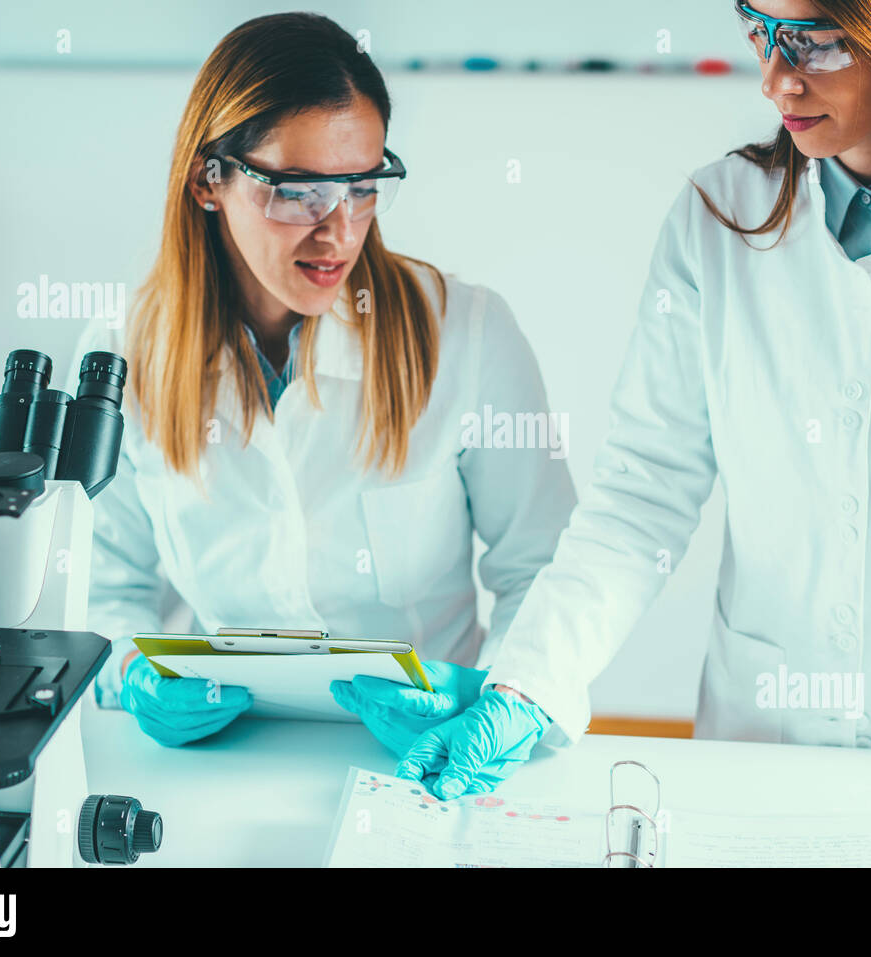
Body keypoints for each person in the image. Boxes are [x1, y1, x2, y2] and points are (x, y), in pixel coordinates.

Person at [351, 0, 871, 845]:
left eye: (812, 40)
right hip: (764, 762)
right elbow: (641, 498)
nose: (776, 77)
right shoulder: (719, 216)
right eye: (759, 32)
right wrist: (528, 683)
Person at [72, 12, 575, 747]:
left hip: (425, 755)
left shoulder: (466, 335)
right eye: (298, 189)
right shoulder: (123, 353)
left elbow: (543, 569)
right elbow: (102, 585)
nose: (338, 230)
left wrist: (508, 697)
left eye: (363, 185)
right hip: (223, 753)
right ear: (208, 181)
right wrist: (126, 670)